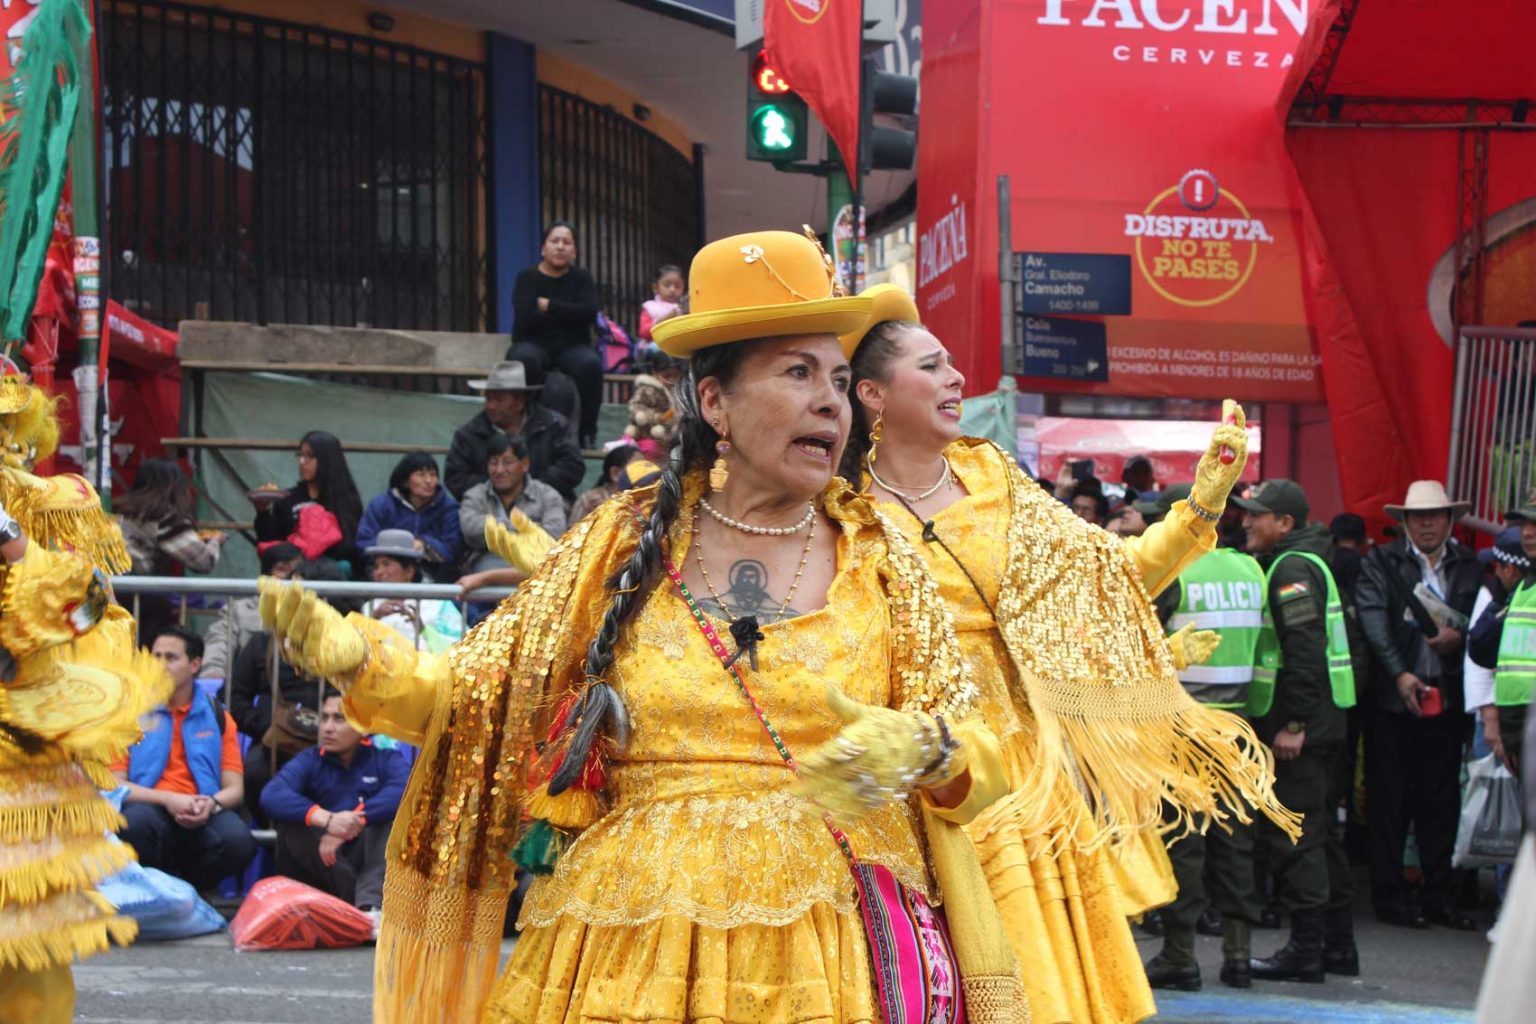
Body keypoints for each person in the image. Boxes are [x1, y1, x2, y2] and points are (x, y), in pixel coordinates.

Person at [256, 229, 1029, 1024]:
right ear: (715, 401)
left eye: (838, 376)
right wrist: (363, 666)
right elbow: (483, 693)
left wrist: (928, 751)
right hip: (625, 949)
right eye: (798, 373)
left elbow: (982, 766)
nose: (831, 400)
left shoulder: (884, 557)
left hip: (837, 956)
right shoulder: (617, 543)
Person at [842, 289, 1296, 1022]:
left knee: (1035, 974)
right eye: (933, 366)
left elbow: (1113, 576)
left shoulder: (994, 483)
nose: (958, 378)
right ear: (872, 394)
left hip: (1015, 771)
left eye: (954, 364)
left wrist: (1202, 505)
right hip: (900, 770)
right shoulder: (838, 504)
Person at [0, 375, 169, 1019]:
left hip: (20, 753)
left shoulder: (54, 503)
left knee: (26, 951)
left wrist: (11, 541)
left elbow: (92, 608)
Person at [1232, 480, 1358, 982]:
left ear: (1285, 524)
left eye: (1257, 515)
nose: (1245, 522)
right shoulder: (1308, 560)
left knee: (1298, 836)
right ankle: (1338, 948)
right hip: (1324, 723)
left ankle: (1307, 952)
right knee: (1322, 837)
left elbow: (1304, 650)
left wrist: (1292, 724)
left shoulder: (1292, 569)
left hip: (1303, 730)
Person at [1145, 507, 1267, 990]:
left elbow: (1145, 645)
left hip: (1182, 724)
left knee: (1184, 839)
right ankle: (1238, 956)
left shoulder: (1177, 573)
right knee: (1237, 839)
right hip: (1238, 723)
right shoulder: (1250, 569)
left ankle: (1180, 955)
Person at [1356, 481, 1482, 931]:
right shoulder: (1382, 561)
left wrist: (1460, 638)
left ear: (1450, 520)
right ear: (1405, 522)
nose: (1427, 523)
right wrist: (1399, 673)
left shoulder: (1469, 565)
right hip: (1393, 699)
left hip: (1445, 697)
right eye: (1418, 516)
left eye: (1435, 515)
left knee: (1441, 800)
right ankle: (1390, 897)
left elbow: (1483, 623)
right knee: (1390, 800)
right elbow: (1373, 620)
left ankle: (1439, 895)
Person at [115, 627, 257, 890]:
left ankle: (193, 891)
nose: (160, 665)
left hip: (201, 807)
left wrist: (210, 804)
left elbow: (234, 789)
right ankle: (153, 893)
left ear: (195, 665)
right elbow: (115, 785)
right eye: (155, 656)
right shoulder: (129, 713)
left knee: (239, 841)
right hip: (150, 806)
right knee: (134, 824)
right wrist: (168, 799)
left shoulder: (217, 716)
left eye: (170, 658)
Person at [259, 692, 410, 911]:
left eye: (339, 719)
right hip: (324, 865)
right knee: (294, 826)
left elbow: (403, 790)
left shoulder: (385, 759)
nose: (328, 728)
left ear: (364, 726)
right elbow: (272, 794)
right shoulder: (310, 759)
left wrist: (355, 821)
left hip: (365, 861)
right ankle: (354, 904)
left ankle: (369, 906)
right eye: (325, 718)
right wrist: (328, 820)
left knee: (390, 822)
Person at [230, 558, 352, 818]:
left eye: (300, 595)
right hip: (275, 744)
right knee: (255, 774)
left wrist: (336, 727)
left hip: (337, 744)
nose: (290, 601)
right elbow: (233, 697)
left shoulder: (350, 646)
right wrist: (267, 726)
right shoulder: (263, 643)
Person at [505, 222, 604, 446]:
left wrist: (549, 306)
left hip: (572, 347)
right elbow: (525, 317)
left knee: (590, 365)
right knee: (524, 360)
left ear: (574, 251)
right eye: (555, 241)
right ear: (543, 248)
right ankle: (524, 425)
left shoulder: (582, 278)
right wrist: (569, 313)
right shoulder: (527, 278)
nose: (560, 247)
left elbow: (589, 313)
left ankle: (587, 432)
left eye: (566, 242)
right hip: (533, 343)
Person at [116, 458, 226, 641]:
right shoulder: (164, 517)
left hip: (115, 595)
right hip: (139, 600)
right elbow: (203, 561)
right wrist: (216, 541)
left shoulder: (124, 513)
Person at [444, 361, 585, 502]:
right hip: (488, 505)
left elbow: (572, 467)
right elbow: (455, 478)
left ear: (520, 402)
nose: (490, 405)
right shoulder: (468, 433)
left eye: (498, 400)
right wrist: (498, 487)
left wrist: (530, 487)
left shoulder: (554, 425)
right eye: (488, 398)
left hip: (546, 502)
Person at [1469, 502, 1536, 772]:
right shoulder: (1522, 587)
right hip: (1518, 725)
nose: (1528, 533)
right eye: (1525, 525)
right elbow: (1484, 652)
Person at [457, 432, 568, 583]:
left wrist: (496, 528)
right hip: (486, 568)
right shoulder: (475, 495)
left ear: (525, 465)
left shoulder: (548, 495)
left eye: (507, 462)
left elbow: (555, 533)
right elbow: (471, 531)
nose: (499, 470)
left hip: (536, 569)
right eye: (493, 463)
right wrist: (526, 527)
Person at [252, 430, 364, 571]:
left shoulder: (346, 501)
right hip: (292, 577)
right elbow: (270, 547)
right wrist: (263, 512)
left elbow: (352, 549)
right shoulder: (287, 499)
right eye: (300, 455)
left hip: (333, 577)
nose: (302, 462)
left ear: (327, 459)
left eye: (309, 456)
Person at [200, 542, 303, 682]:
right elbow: (219, 644)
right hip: (251, 691)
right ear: (266, 575)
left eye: (297, 572)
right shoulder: (239, 610)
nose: (291, 578)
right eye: (282, 569)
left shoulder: (316, 611)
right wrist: (213, 676)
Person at [356, 452, 462, 576]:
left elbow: (453, 549)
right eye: (420, 475)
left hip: (432, 571)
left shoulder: (449, 508)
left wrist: (424, 545)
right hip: (388, 569)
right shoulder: (381, 504)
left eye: (433, 475)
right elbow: (364, 542)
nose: (428, 481)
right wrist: (400, 548)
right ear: (405, 481)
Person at [362, 529, 464, 653]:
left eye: (386, 564)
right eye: (376, 566)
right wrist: (374, 618)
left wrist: (423, 630)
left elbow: (462, 646)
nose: (378, 572)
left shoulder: (438, 604)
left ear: (409, 571)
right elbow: (355, 648)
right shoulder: (369, 607)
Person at [623, 350, 684, 461]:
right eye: (667, 376)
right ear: (654, 373)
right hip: (648, 433)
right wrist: (657, 417)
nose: (672, 380)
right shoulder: (647, 389)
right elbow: (635, 407)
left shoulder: (678, 390)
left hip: (670, 435)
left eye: (675, 376)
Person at [567, 444, 643, 525]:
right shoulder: (587, 500)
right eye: (637, 468)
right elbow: (572, 534)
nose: (644, 473)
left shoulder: (646, 500)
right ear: (615, 473)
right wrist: (591, 517)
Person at [637, 263, 685, 345]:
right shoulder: (650, 307)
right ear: (656, 288)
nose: (672, 289)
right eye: (667, 285)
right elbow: (643, 332)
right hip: (655, 345)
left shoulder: (684, 308)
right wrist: (665, 319)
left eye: (677, 286)